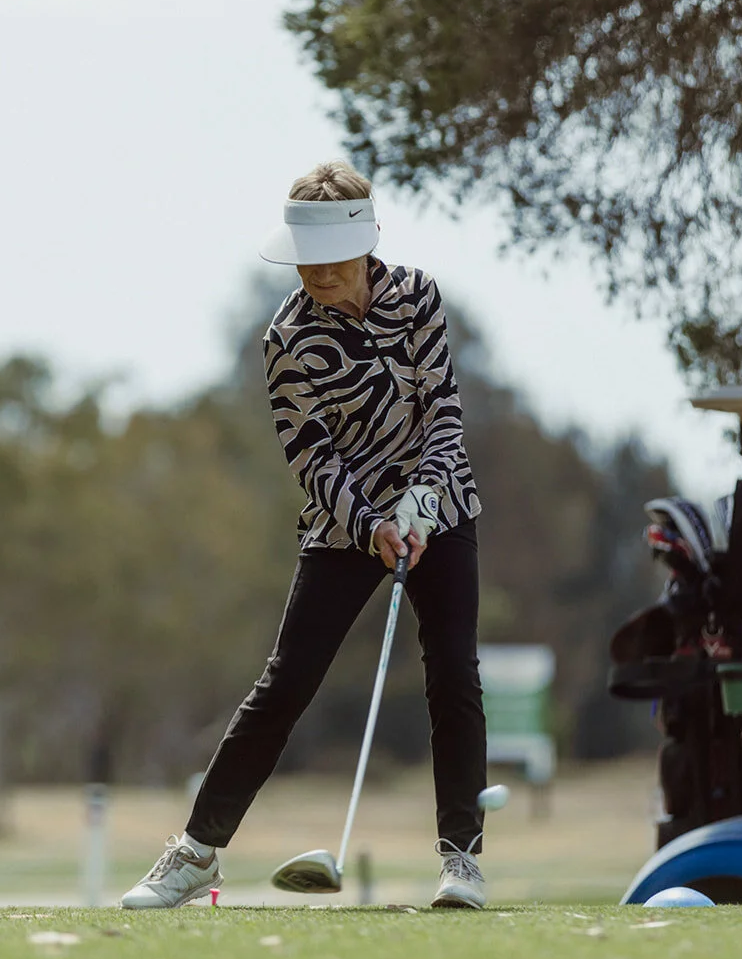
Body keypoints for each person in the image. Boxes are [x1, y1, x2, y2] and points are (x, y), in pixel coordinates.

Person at [120, 160, 488, 910]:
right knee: (285, 682)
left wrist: (421, 498)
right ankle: (195, 855)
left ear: (363, 243)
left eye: (329, 258)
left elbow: (444, 412)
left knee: (453, 672)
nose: (316, 273)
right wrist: (372, 526)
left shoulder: (417, 297)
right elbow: (310, 456)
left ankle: (463, 862)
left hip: (438, 509)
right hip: (343, 522)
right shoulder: (287, 335)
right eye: (305, 259)